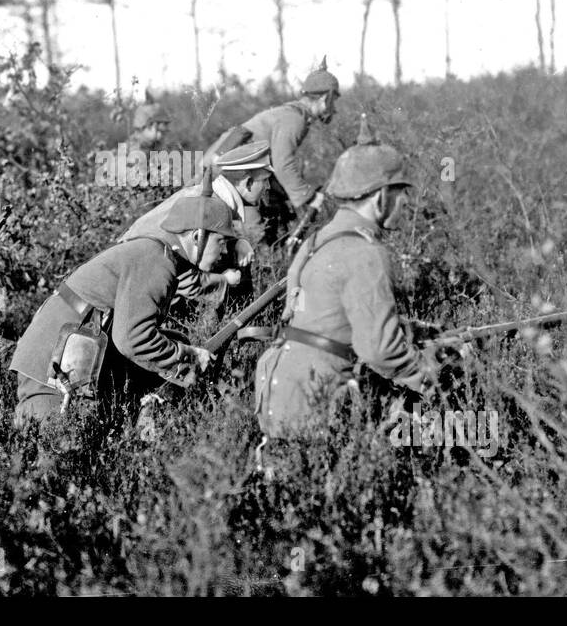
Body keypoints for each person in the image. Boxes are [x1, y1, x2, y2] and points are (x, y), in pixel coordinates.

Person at [253, 143, 437, 441]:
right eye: (401, 192)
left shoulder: (317, 239)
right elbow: (380, 350)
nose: (405, 202)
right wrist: (427, 377)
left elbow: (312, 314)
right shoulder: (365, 252)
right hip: (318, 394)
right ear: (380, 196)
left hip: (279, 385)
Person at [10, 194, 239, 427]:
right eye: (221, 242)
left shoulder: (155, 254)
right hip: (54, 364)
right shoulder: (156, 261)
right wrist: (188, 356)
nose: (224, 252)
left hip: (63, 356)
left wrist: (180, 351)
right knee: (53, 452)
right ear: (197, 236)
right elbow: (133, 339)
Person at [116, 141, 273, 303]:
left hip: (130, 268)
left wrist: (238, 242)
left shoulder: (211, 197)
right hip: (132, 280)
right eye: (265, 180)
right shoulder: (211, 208)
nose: (268, 187)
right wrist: (224, 280)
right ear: (248, 182)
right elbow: (185, 277)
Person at [202, 63, 340, 242]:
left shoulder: (291, 114)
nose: (334, 107)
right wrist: (309, 197)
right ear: (324, 98)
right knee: (253, 231)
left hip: (228, 169)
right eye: (333, 100)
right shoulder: (294, 119)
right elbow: (283, 164)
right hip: (225, 173)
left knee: (273, 214)